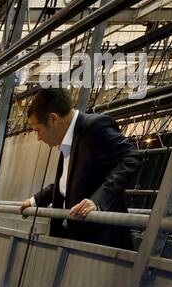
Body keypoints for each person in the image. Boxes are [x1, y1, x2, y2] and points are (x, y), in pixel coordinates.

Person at [19, 87, 141, 249]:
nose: (39, 137)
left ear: (53, 119)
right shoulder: (68, 140)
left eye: (38, 130)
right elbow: (69, 184)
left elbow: (131, 158)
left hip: (100, 243)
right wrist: (35, 201)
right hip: (74, 239)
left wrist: (97, 201)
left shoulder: (94, 128)